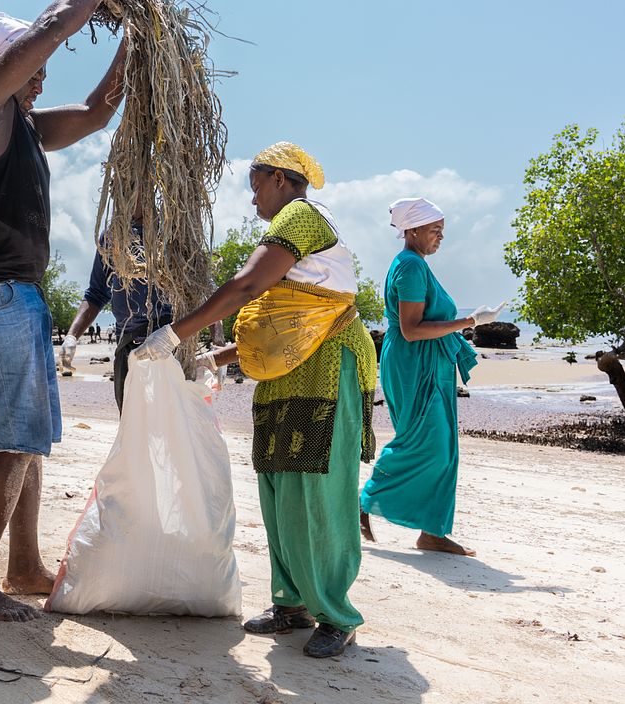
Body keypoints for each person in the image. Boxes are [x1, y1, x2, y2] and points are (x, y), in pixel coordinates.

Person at [0, 0, 140, 622]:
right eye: (28, 62)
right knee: (15, 438)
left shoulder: (21, 123)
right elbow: (50, 31)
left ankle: (23, 565)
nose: (43, 70)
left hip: (10, 295)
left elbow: (95, 111)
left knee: (29, 435)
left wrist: (136, 40)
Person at [135, 142, 376, 659]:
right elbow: (280, 325)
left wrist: (176, 335)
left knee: (320, 492)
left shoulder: (302, 216)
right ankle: (291, 604)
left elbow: (246, 287)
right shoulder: (291, 224)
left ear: (280, 179)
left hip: (327, 369)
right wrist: (217, 359)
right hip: (290, 371)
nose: (252, 201)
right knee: (280, 487)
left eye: (255, 187)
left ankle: (336, 614)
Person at [358, 197, 504, 556]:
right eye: (435, 231)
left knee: (445, 449)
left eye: (442, 231)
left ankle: (433, 532)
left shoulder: (416, 264)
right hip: (413, 363)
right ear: (413, 231)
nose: (440, 237)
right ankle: (362, 502)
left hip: (430, 364)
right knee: (423, 444)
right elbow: (410, 329)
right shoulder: (409, 266)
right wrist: (470, 322)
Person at [63, 204, 175, 412]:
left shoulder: (173, 230)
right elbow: (96, 293)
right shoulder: (112, 237)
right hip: (128, 346)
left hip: (170, 344)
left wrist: (217, 342)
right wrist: (71, 337)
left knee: (172, 427)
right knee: (132, 428)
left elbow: (199, 286)